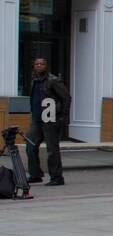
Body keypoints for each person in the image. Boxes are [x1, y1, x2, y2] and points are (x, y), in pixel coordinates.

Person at [25, 58, 70, 186]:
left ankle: (57, 177)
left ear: (46, 66)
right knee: (30, 145)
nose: (39, 65)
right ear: (34, 66)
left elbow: (66, 98)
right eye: (37, 64)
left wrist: (62, 116)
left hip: (50, 119)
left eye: (42, 63)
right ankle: (35, 174)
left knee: (52, 149)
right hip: (37, 119)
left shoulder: (53, 80)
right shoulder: (34, 81)